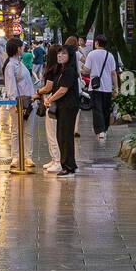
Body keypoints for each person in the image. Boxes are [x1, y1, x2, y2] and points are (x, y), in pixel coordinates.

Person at [44, 43, 79, 177]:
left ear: (70, 56)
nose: (60, 55)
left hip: (68, 106)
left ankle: (68, 167)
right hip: (64, 107)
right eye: (59, 53)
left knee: (65, 136)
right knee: (63, 135)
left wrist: (50, 99)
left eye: (63, 53)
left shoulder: (69, 70)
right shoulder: (63, 69)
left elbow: (63, 90)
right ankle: (69, 164)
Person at [3, 37, 36, 160]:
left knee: (28, 131)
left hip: (29, 102)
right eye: (22, 47)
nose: (23, 49)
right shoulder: (10, 65)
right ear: (18, 49)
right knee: (16, 131)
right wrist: (16, 103)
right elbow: (11, 86)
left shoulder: (20, 63)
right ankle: (16, 157)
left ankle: (28, 157)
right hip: (18, 103)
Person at [35, 44, 63, 173]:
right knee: (54, 132)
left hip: (51, 102)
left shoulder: (52, 70)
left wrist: (38, 91)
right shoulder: (61, 68)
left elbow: (48, 87)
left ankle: (57, 160)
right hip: (57, 103)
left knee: (52, 132)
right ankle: (54, 159)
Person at [85, 36, 118, 141]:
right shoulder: (110, 56)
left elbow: (86, 70)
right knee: (105, 109)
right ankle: (105, 129)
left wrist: (81, 69)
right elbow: (113, 73)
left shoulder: (91, 54)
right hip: (107, 87)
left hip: (95, 87)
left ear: (97, 43)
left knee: (96, 108)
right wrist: (116, 87)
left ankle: (100, 131)